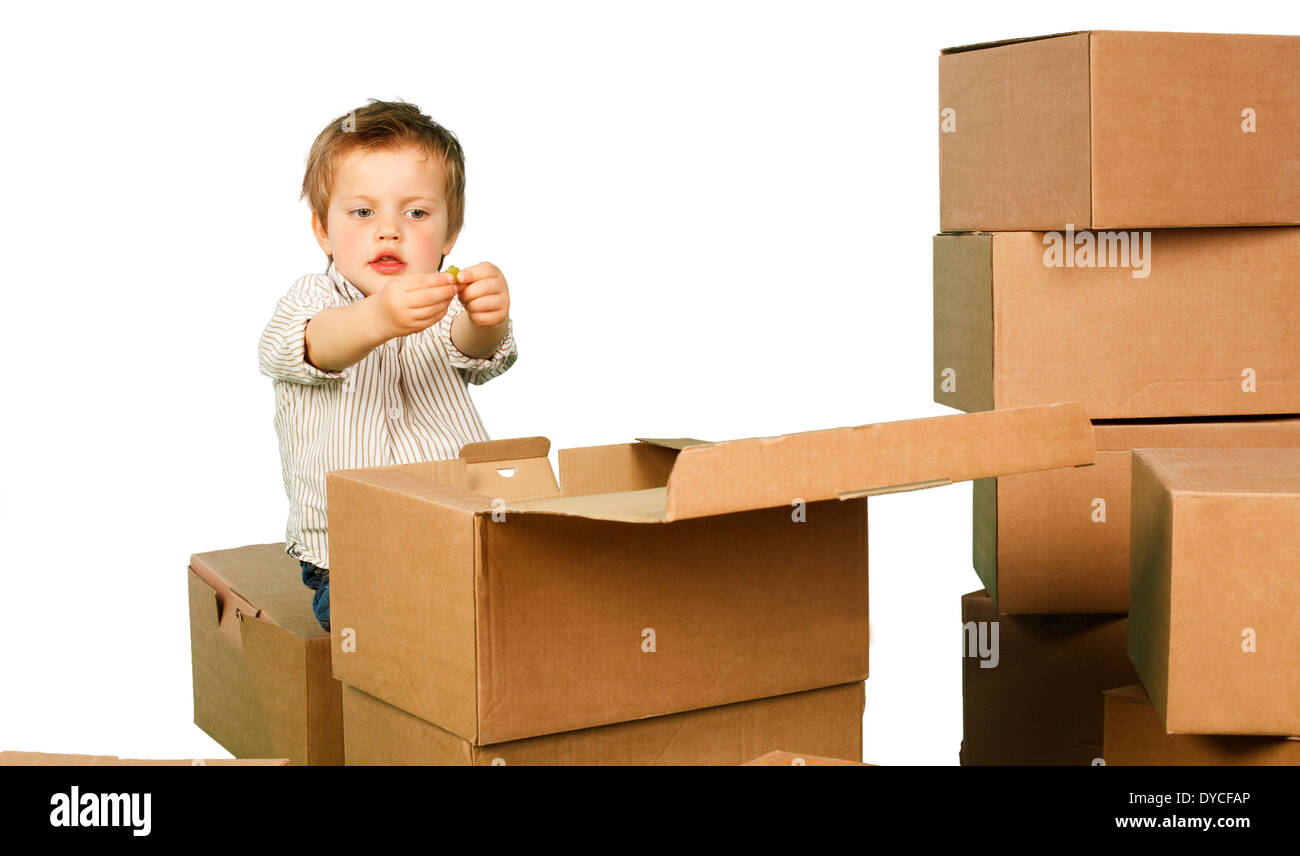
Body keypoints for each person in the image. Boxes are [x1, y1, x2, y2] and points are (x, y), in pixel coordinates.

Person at [258, 99, 517, 632]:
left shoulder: (443, 301)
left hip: (463, 532)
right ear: (323, 231)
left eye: (416, 213)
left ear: (449, 234)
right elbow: (315, 345)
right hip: (354, 552)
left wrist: (487, 315)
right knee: (394, 640)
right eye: (363, 212)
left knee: (506, 620)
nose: (389, 231)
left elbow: (474, 348)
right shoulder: (313, 298)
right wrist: (376, 317)